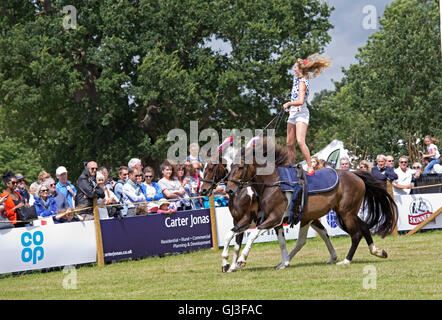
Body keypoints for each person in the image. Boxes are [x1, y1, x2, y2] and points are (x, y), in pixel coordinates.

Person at [283, 54, 331, 175]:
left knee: (300, 141)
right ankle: (291, 165)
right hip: (293, 113)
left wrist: (288, 103)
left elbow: (300, 101)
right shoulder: (296, 79)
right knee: (289, 143)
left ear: (300, 69)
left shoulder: (302, 82)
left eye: (295, 67)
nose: (293, 69)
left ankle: (310, 166)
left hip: (301, 113)